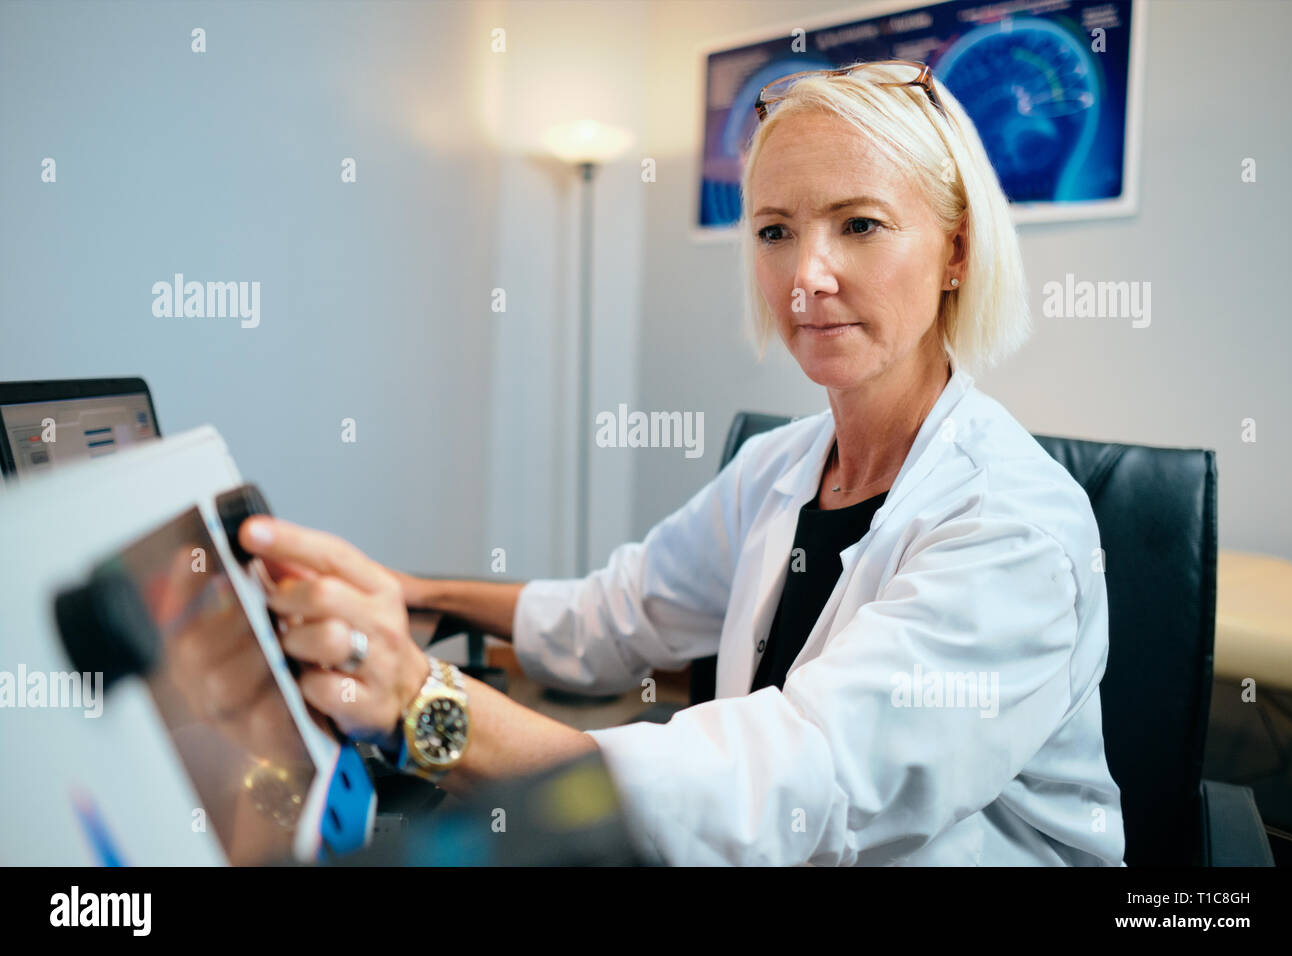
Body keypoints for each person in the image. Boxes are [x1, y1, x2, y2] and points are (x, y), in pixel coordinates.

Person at [238, 60, 1124, 866]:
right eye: (776, 232)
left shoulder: (1012, 527)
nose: (806, 276)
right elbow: (612, 616)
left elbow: (800, 786)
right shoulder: (783, 466)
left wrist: (424, 705)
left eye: (860, 224)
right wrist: (416, 594)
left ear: (957, 251)